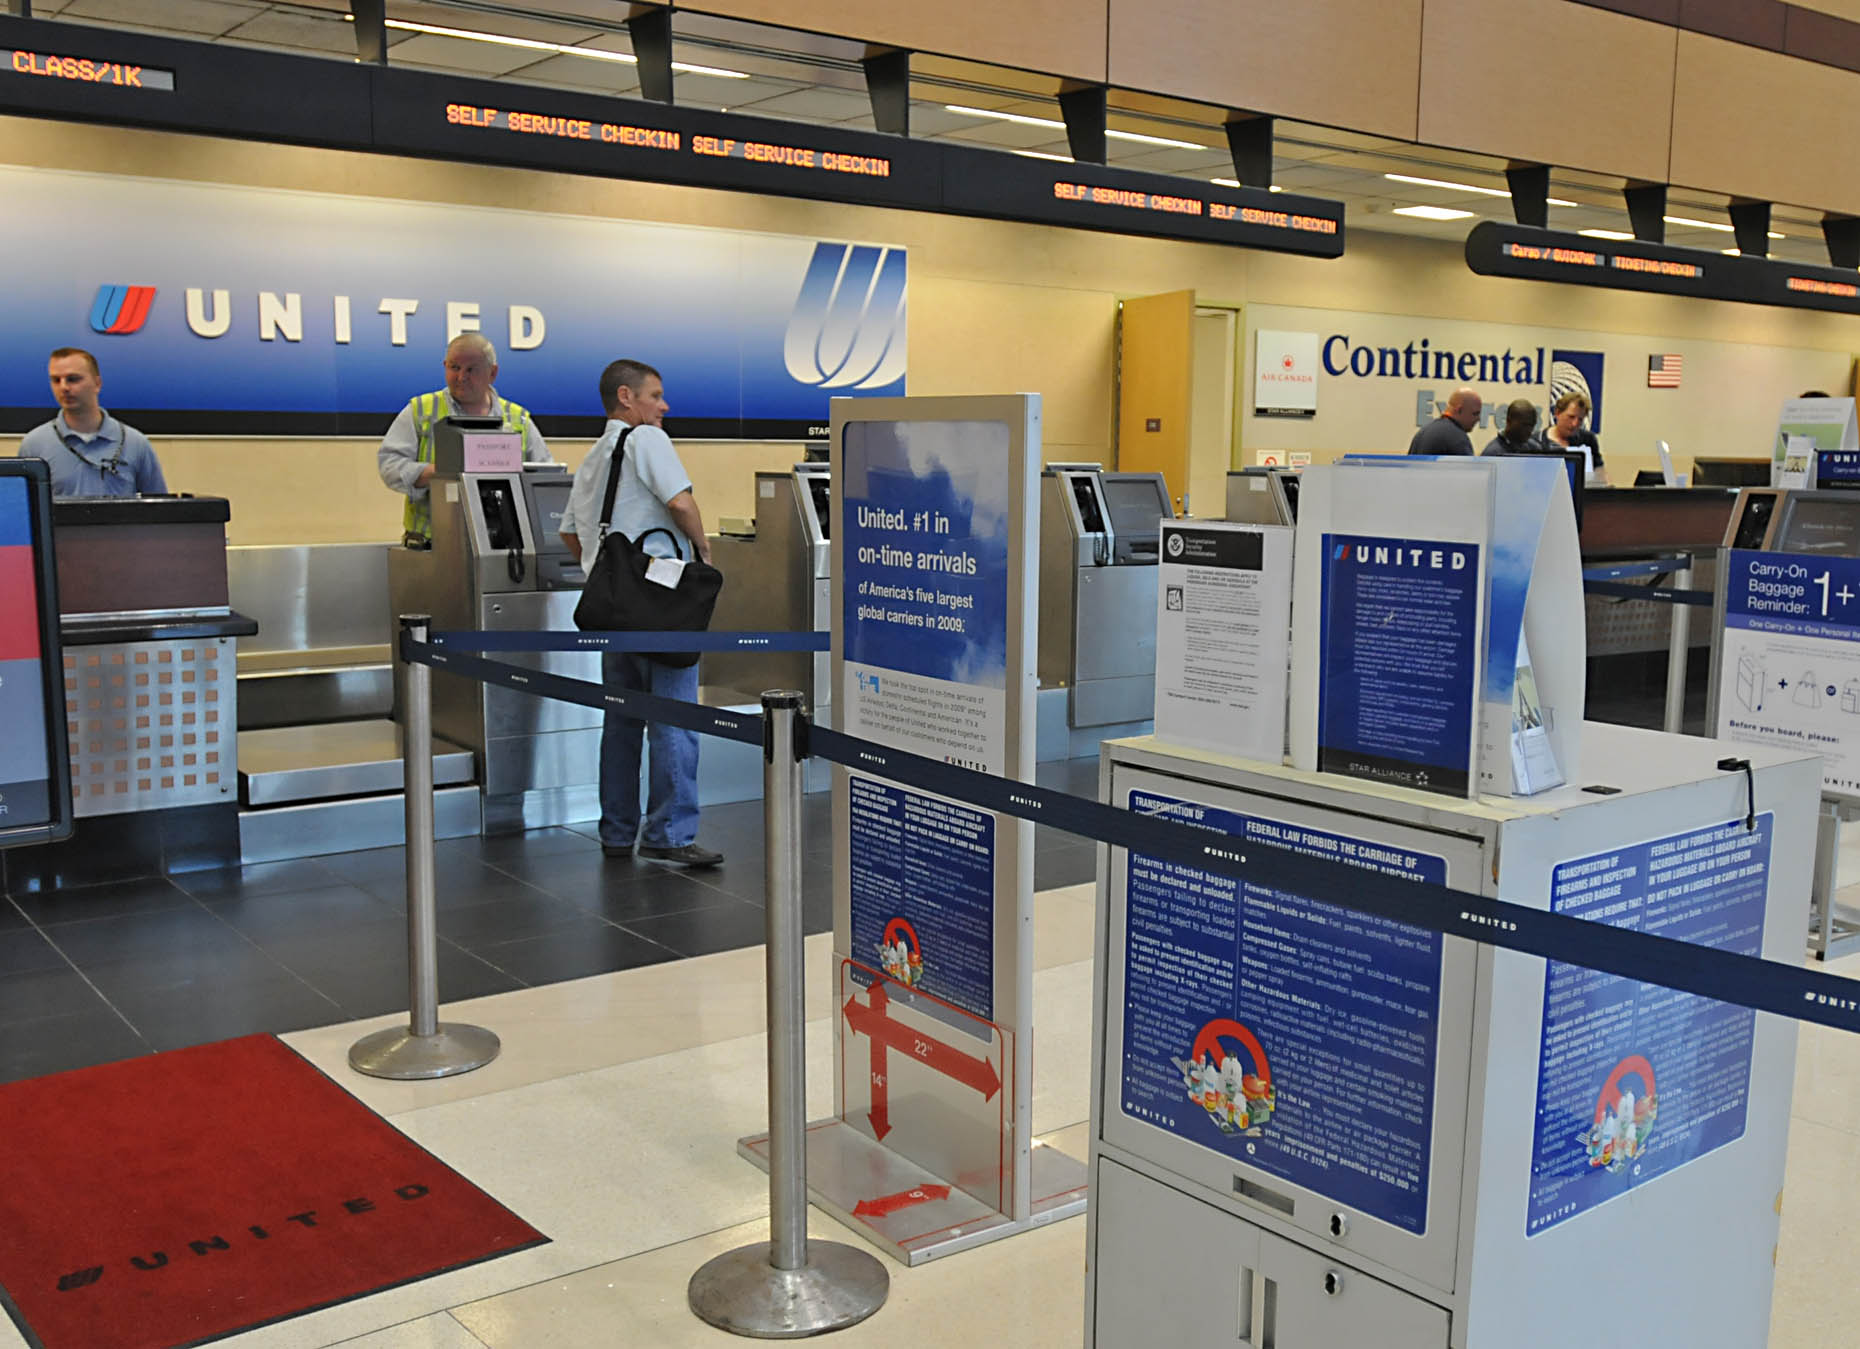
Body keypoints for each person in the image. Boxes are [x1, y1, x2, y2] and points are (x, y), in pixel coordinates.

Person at [560, 359, 721, 867]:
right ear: (626, 397)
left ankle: (616, 830)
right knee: (674, 720)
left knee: (622, 722)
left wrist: (609, 573)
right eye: (656, 395)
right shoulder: (648, 441)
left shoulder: (594, 456)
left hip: (614, 612)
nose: (664, 406)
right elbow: (679, 502)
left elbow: (569, 533)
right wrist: (703, 550)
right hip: (661, 607)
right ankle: (670, 833)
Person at [377, 332, 551, 545]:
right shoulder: (421, 410)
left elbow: (544, 478)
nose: (461, 377)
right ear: (444, 366)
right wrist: (443, 471)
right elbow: (390, 466)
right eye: (454, 367)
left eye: (472, 370)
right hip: (431, 547)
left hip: (503, 547)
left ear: (493, 373)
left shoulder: (519, 419)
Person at [16, 348, 166, 496]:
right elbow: (23, 508)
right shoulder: (34, 445)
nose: (64, 387)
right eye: (56, 380)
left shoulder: (136, 444)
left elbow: (159, 511)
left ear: (97, 383)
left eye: (73, 379)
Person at [1533, 390, 1609, 484]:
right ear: (1557, 413)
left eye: (1580, 420)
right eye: (1571, 417)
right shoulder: (1536, 441)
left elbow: (1600, 472)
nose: (1575, 424)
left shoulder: (1588, 439)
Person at [1407, 386, 1481, 455]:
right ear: (1459, 410)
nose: (1478, 419)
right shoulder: (1457, 438)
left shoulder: (1423, 432)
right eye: (1475, 414)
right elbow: (1468, 468)